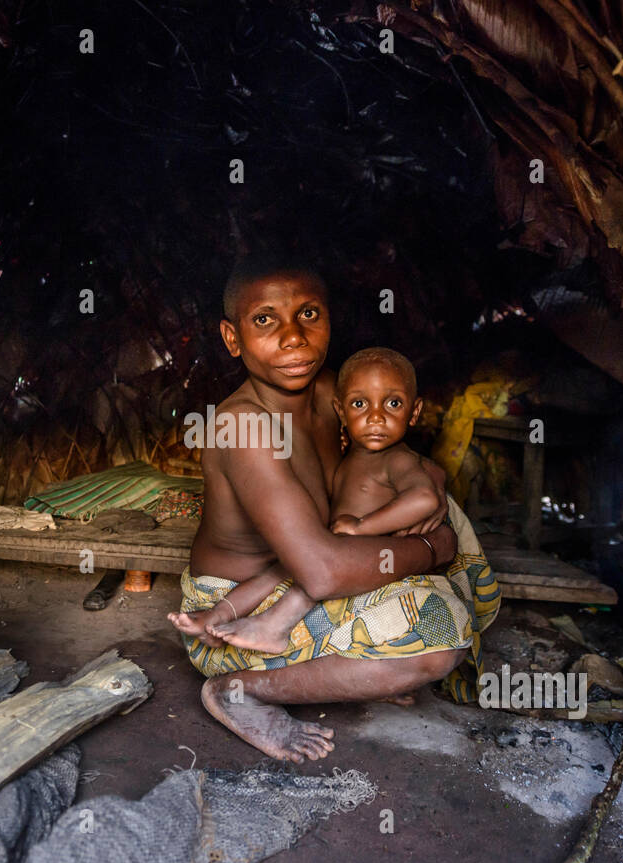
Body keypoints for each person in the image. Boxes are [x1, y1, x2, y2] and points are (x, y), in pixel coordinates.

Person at [173, 254, 500, 763]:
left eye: (308, 315)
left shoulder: (331, 391)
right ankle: (241, 690)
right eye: (264, 320)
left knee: (437, 501)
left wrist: (427, 478)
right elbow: (323, 573)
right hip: (240, 616)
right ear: (232, 337)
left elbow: (387, 456)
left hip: (307, 571)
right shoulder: (243, 427)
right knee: (442, 636)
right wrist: (431, 547)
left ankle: (356, 666)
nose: (293, 338)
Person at [168, 346, 444, 654]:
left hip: (363, 549)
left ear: (415, 412)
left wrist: (362, 528)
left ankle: (273, 628)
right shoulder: (357, 452)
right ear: (341, 411)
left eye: (393, 403)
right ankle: (216, 616)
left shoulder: (398, 460)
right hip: (330, 544)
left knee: (306, 586)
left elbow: (424, 498)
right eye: (360, 404)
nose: (375, 417)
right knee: (280, 572)